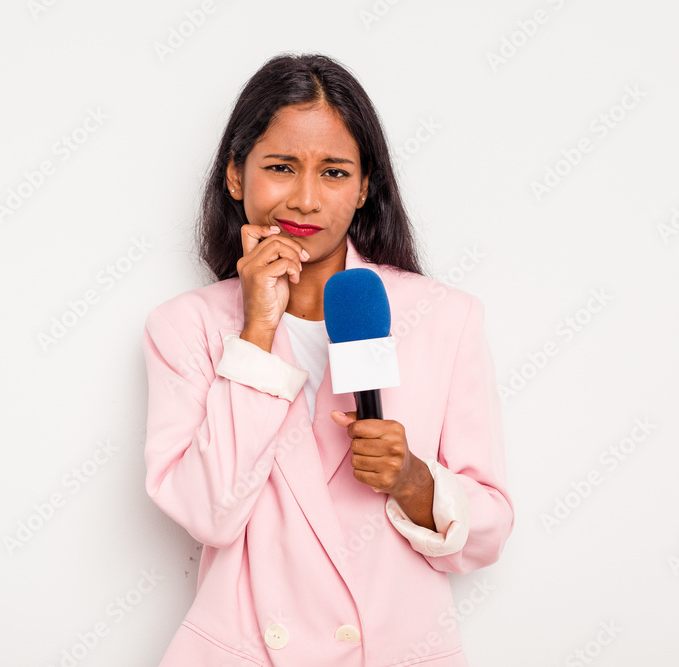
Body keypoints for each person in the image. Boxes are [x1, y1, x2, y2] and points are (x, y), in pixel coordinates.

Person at [142, 52, 513, 667]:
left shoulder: (444, 318)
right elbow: (210, 512)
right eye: (281, 167)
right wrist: (257, 330)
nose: (306, 199)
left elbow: (492, 528)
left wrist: (415, 481)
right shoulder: (186, 328)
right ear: (237, 176)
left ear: (366, 185)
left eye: (335, 172)